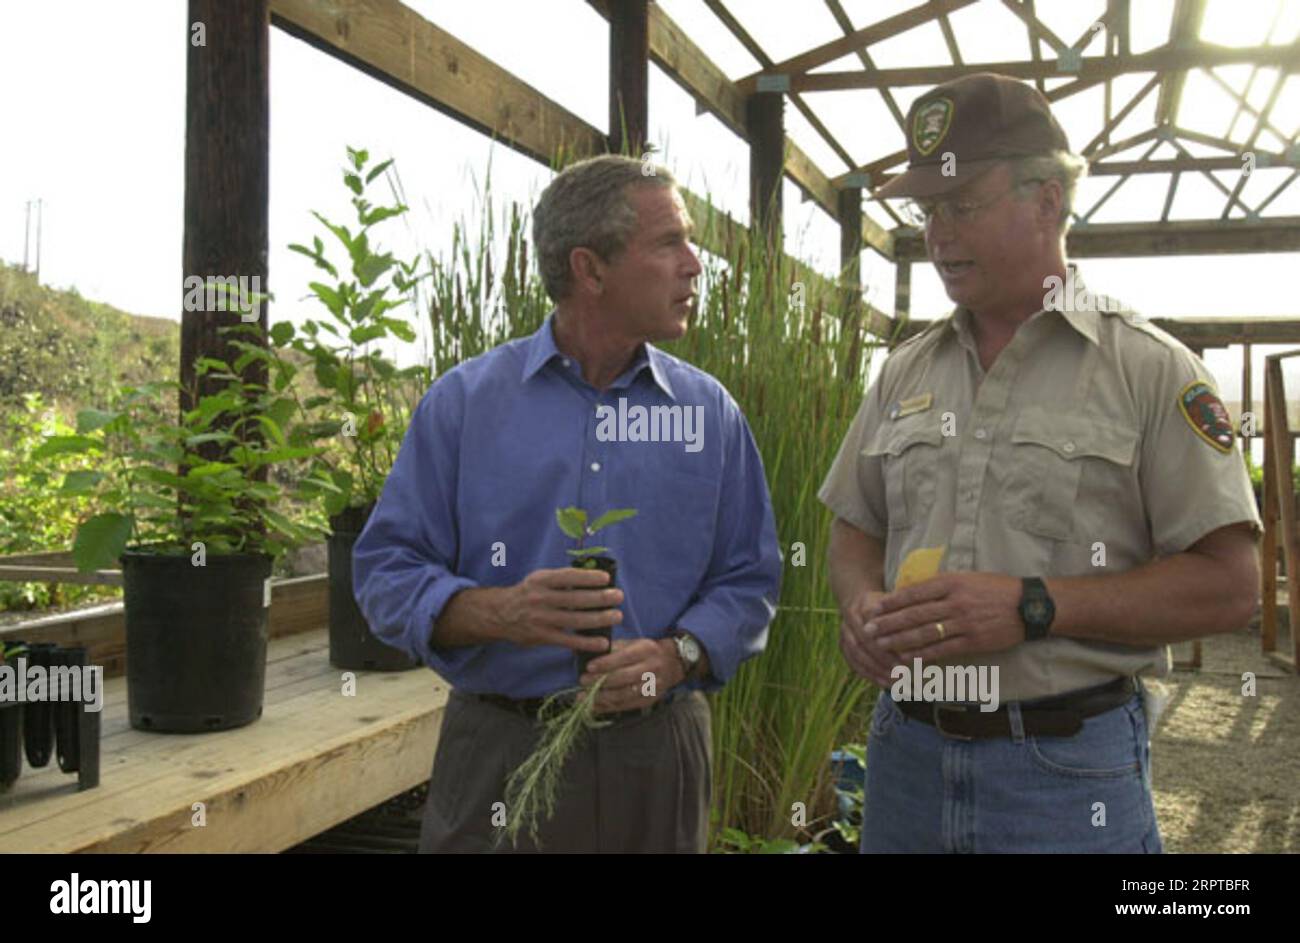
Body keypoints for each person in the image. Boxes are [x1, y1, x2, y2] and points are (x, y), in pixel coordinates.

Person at [820, 72, 1261, 853]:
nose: (939, 234)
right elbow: (855, 525)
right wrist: (860, 607)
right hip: (904, 762)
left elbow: (1229, 586)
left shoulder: (1150, 370)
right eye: (928, 211)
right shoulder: (903, 372)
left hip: (1063, 777)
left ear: (1049, 198)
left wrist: (1033, 605)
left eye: (963, 204)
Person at [353, 154, 782, 853]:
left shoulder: (711, 415)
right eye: (669, 242)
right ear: (591, 269)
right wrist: (498, 611)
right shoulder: (463, 405)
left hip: (659, 758)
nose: (695, 264)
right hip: (500, 754)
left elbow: (750, 579)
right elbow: (384, 572)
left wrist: (678, 655)